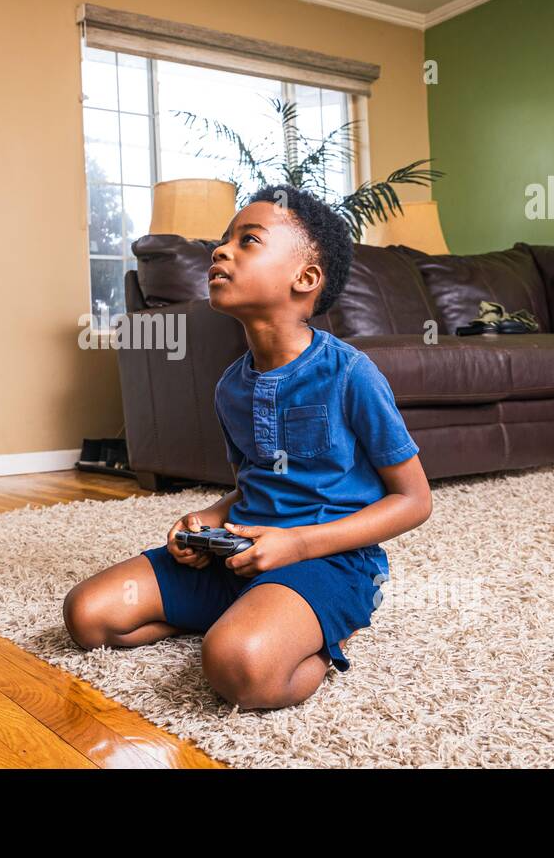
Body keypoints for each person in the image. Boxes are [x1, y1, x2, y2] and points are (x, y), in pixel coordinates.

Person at [63, 185, 432, 710]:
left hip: (328, 562)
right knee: (87, 616)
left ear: (304, 279)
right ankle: (247, 616)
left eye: (248, 240)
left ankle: (319, 636)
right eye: (222, 241)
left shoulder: (351, 374)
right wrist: (206, 518)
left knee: (238, 670)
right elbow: (250, 485)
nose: (221, 251)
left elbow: (415, 501)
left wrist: (297, 545)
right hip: (236, 556)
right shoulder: (230, 387)